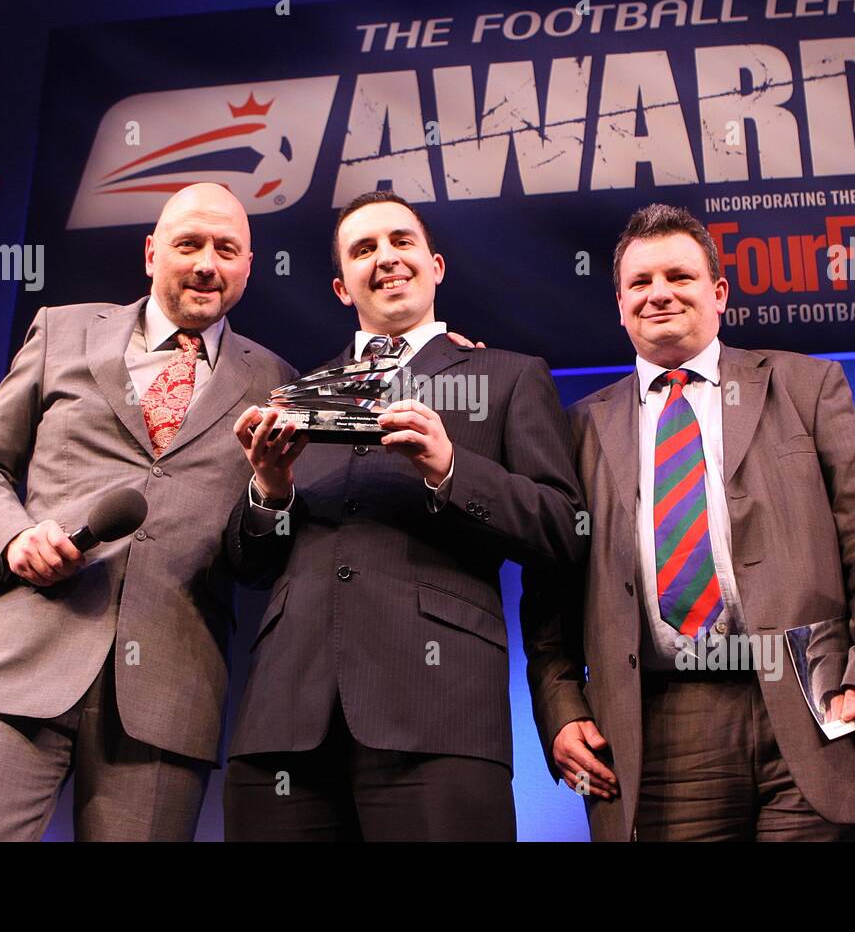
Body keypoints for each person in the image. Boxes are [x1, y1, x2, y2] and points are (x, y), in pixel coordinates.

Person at [525, 203, 855, 842]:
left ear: (718, 293)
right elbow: (549, 590)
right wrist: (559, 705)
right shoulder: (577, 430)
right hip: (661, 729)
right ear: (620, 305)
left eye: (679, 277)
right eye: (640, 283)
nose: (659, 294)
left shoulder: (808, 385)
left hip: (817, 702)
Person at [0, 183, 296, 841]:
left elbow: (259, 563)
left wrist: (270, 492)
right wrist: (12, 540)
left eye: (226, 248)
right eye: (189, 243)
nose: (207, 263)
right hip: (19, 661)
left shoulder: (275, 381)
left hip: (167, 695)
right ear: (152, 251)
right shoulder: (63, 330)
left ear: (247, 265)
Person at [220, 191, 585, 841]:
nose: (385, 258)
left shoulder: (507, 376)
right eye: (363, 250)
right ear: (341, 286)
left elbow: (563, 528)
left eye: (400, 241)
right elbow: (248, 566)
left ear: (436, 265)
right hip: (283, 725)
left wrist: (452, 469)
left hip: (438, 720)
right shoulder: (298, 395)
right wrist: (270, 488)